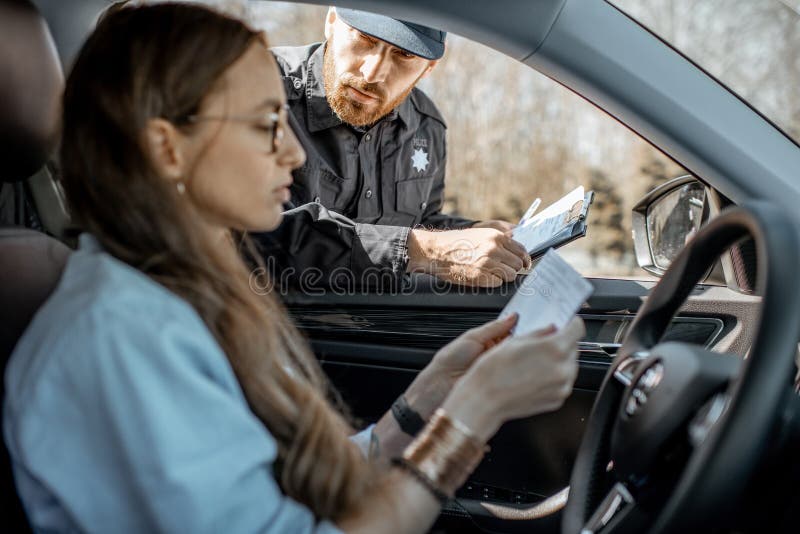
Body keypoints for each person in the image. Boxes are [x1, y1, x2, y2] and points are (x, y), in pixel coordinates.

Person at [3, 3, 585, 532]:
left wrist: (432, 392)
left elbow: (290, 485)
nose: (298, 153)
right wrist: (473, 413)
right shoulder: (125, 336)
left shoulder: (184, 301)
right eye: (266, 125)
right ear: (168, 148)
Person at [256, 7, 531, 288]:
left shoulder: (427, 125)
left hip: (385, 321)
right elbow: (250, 234)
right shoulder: (258, 87)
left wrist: (470, 233)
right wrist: (424, 250)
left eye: (405, 55)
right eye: (364, 38)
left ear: (429, 68)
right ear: (331, 22)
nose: (372, 72)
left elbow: (421, 220)